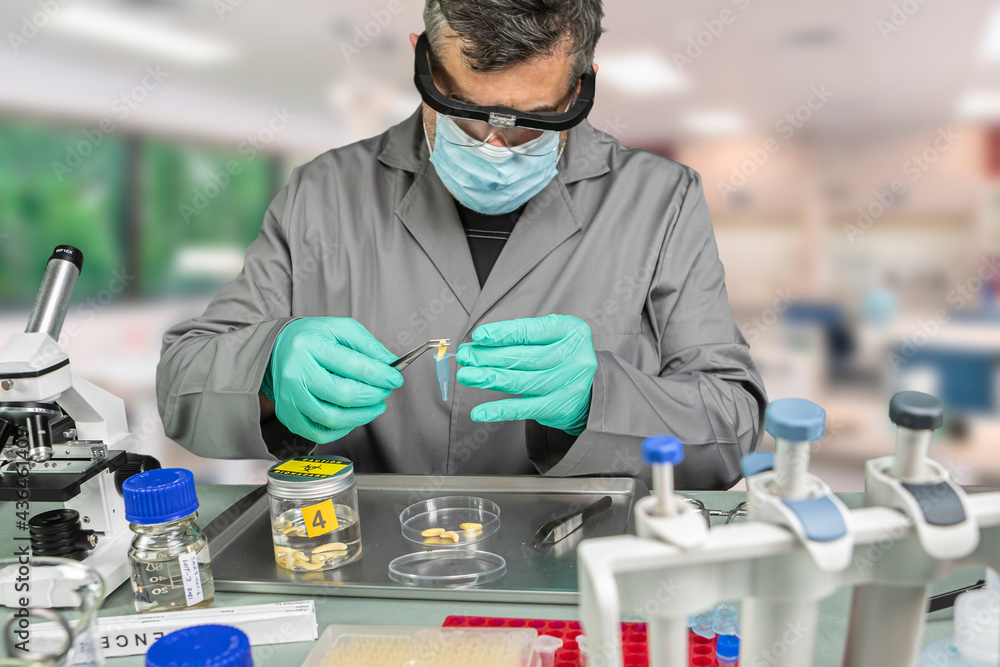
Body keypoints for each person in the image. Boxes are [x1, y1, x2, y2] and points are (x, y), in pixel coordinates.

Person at [156, 0, 767, 489]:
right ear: (422, 59)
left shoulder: (661, 200)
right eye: (465, 112)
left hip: (576, 564)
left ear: (581, 86)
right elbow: (182, 385)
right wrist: (268, 370)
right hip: (368, 558)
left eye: (532, 121)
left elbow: (731, 428)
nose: (494, 147)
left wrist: (597, 400)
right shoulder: (324, 192)